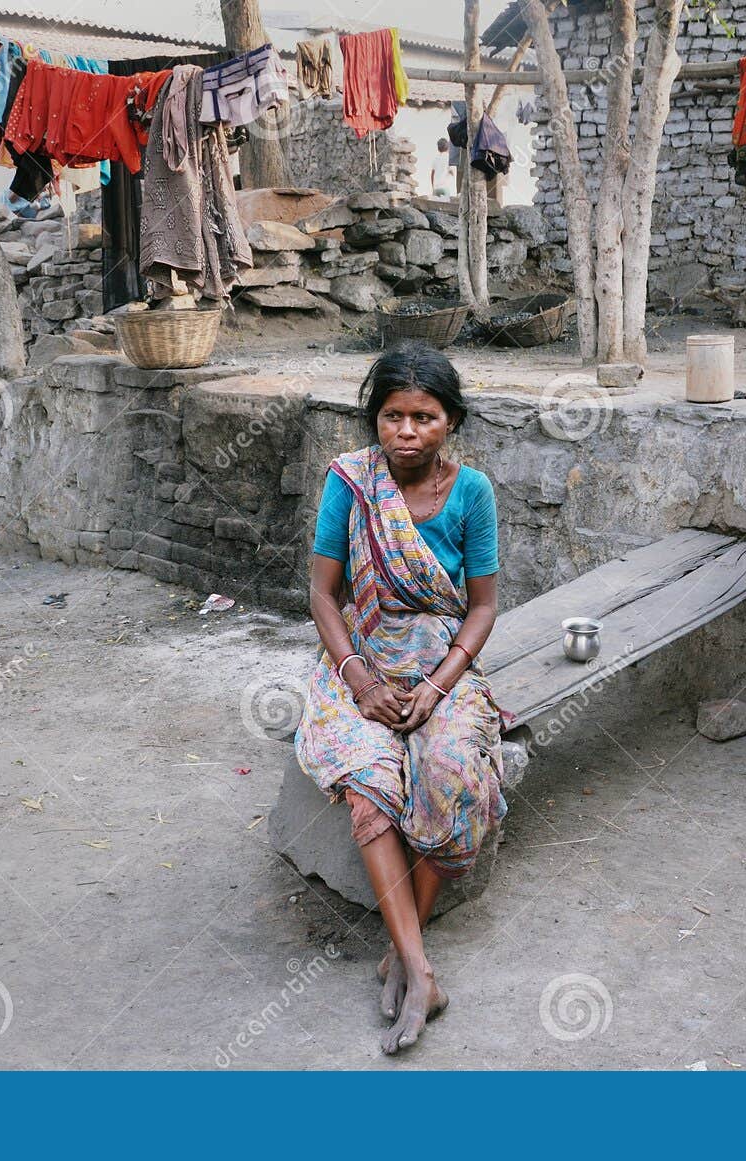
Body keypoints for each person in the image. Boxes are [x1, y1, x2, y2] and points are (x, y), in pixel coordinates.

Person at [294, 342, 505, 1055]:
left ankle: (400, 957)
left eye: (424, 416)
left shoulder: (471, 492)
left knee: (446, 769)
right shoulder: (351, 484)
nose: (406, 431)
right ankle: (421, 967)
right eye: (392, 416)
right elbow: (323, 594)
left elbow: (482, 607)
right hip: (362, 657)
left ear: (451, 422)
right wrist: (359, 679)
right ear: (374, 419)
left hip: (442, 663)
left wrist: (440, 684)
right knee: (370, 775)